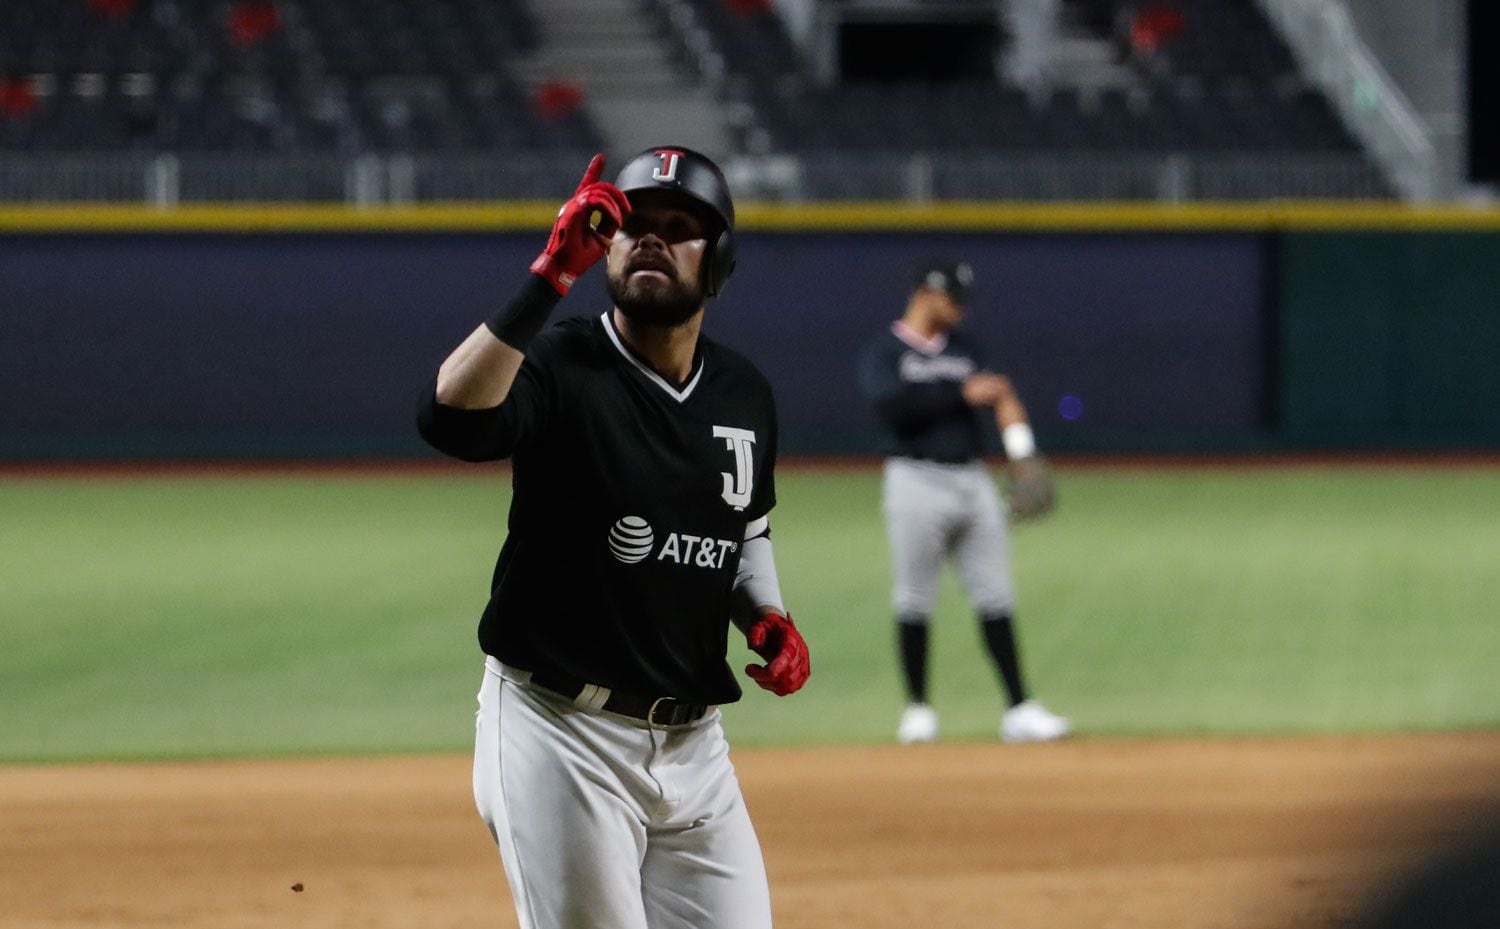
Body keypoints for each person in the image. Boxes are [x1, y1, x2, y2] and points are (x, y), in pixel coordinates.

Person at [417, 146, 811, 929]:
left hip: (696, 745)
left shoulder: (742, 392)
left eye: (682, 227)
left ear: (721, 260)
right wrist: (546, 278)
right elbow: (451, 419)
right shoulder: (563, 361)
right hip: (560, 732)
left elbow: (747, 526)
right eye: (635, 224)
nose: (654, 239)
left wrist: (765, 614)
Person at [857, 258, 1068, 745]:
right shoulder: (886, 351)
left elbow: (1002, 396)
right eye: (952, 298)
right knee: (915, 598)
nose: (960, 309)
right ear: (925, 293)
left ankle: (1020, 708)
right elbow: (890, 408)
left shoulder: (967, 349)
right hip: (914, 480)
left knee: (996, 595)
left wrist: (1023, 456)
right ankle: (918, 710)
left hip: (972, 481)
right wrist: (959, 393)